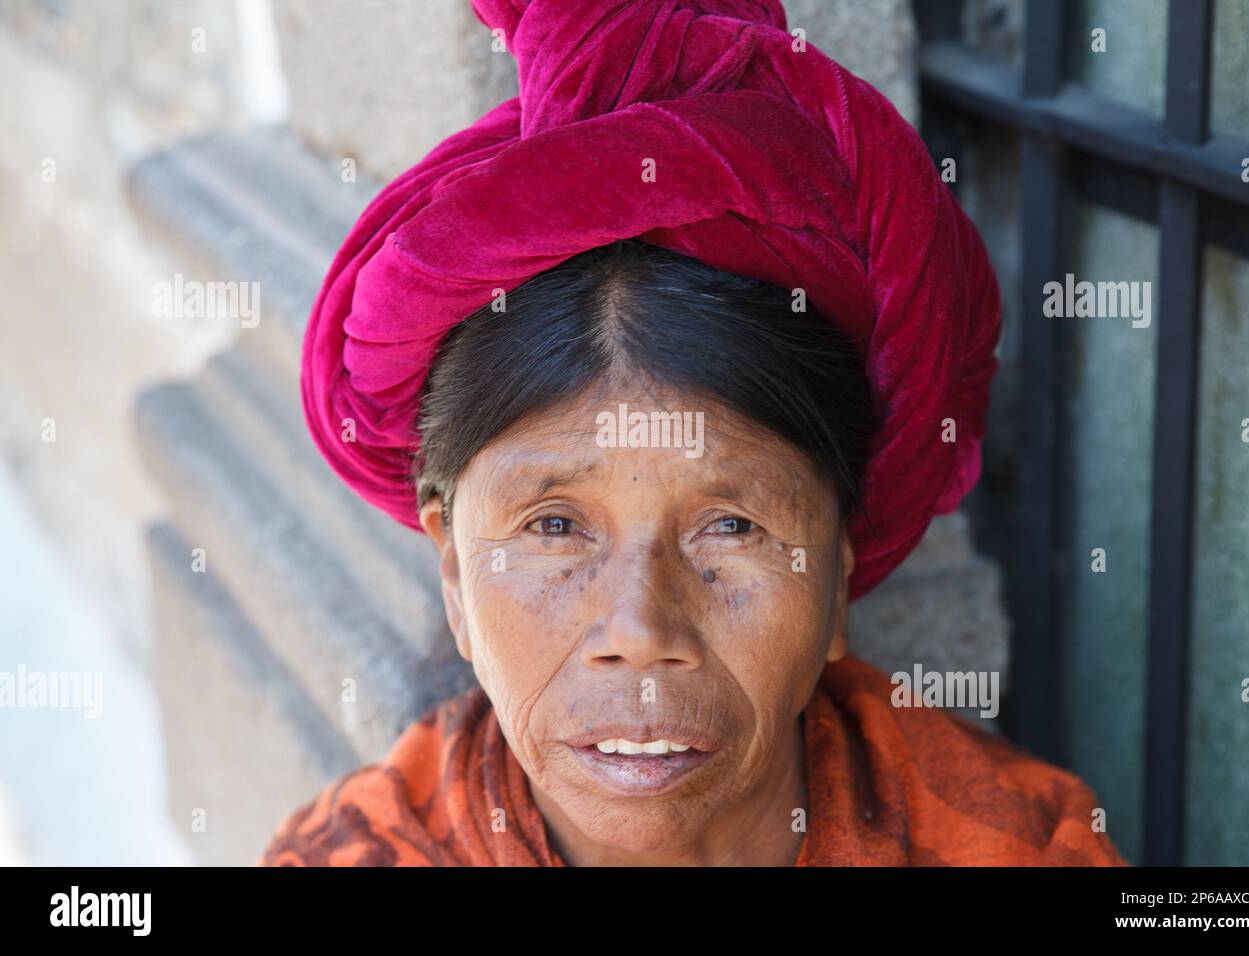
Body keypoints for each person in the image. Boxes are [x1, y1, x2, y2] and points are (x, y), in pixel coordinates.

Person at [258, 0, 1128, 866]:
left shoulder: (1019, 847)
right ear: (454, 572)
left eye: (733, 526)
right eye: (554, 525)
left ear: (837, 567)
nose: (640, 629)